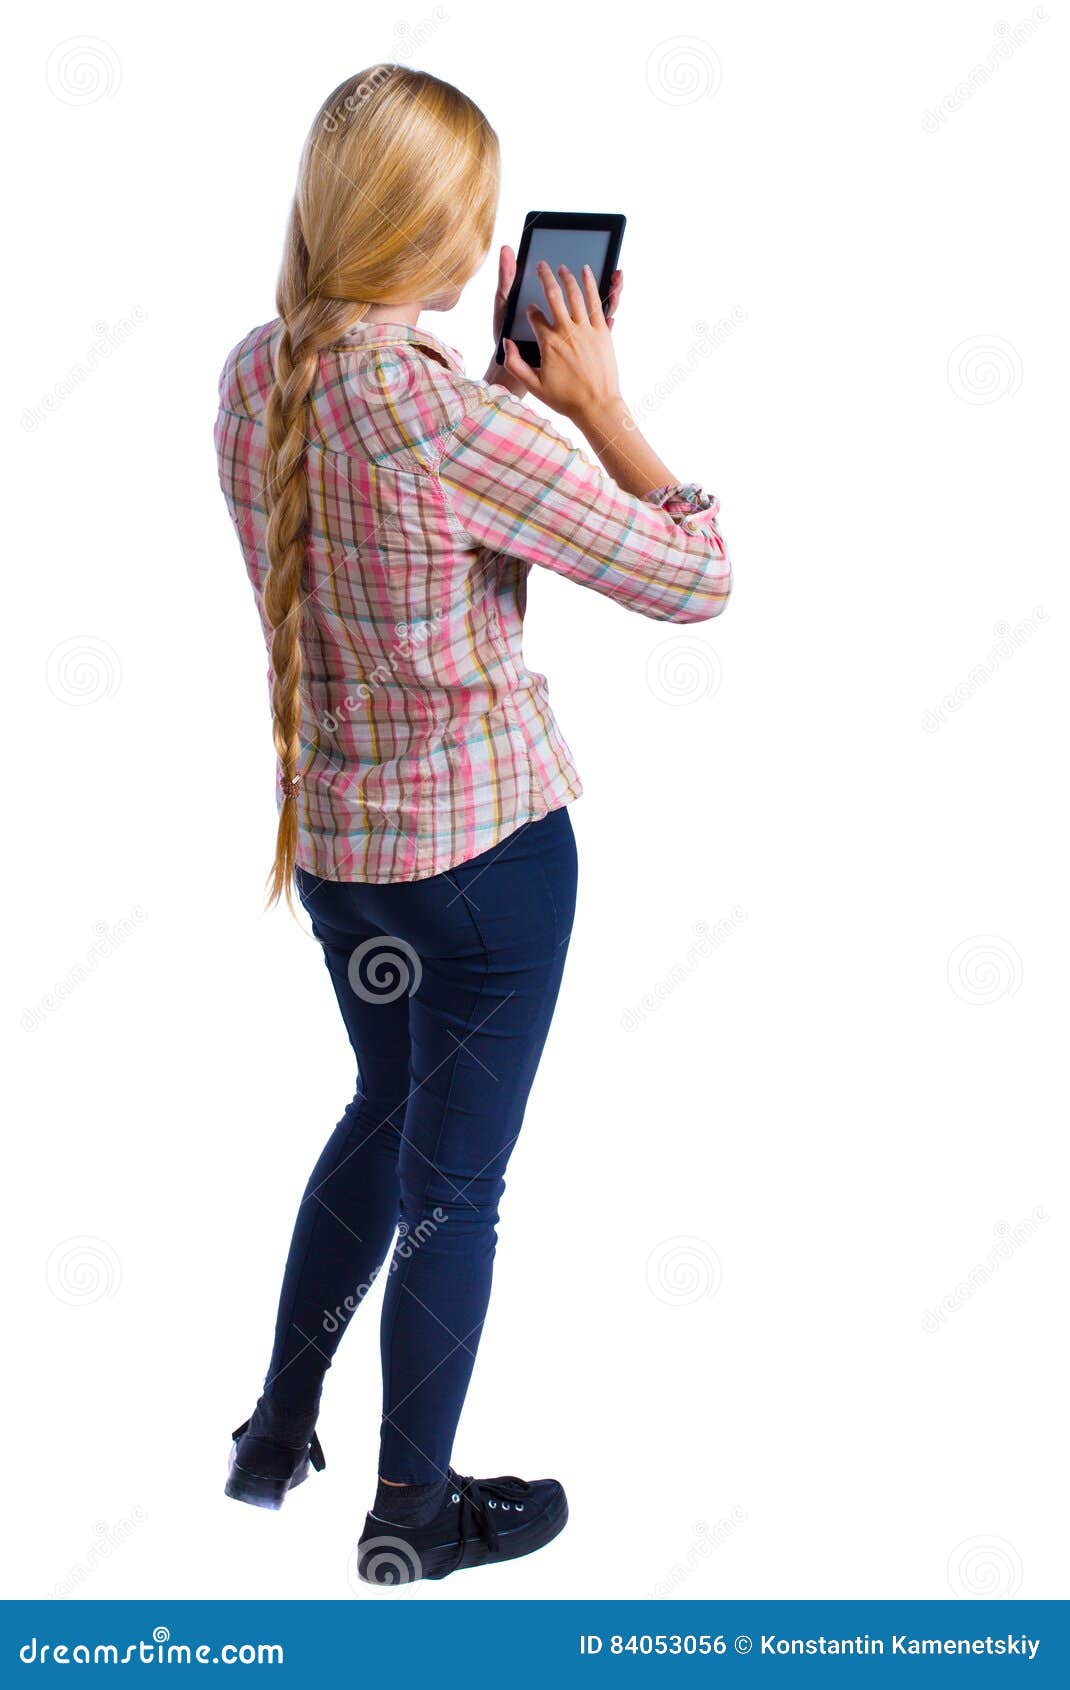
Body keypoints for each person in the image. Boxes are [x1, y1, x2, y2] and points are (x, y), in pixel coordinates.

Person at [214, 64, 731, 1586]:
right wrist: (597, 404)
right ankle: (414, 1510)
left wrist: (498, 403)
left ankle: (274, 1428)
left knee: (383, 1110)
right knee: (458, 1183)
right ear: (442, 235)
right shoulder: (449, 426)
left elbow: (392, 498)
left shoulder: (256, 374)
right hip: (489, 876)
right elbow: (694, 573)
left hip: (344, 866)